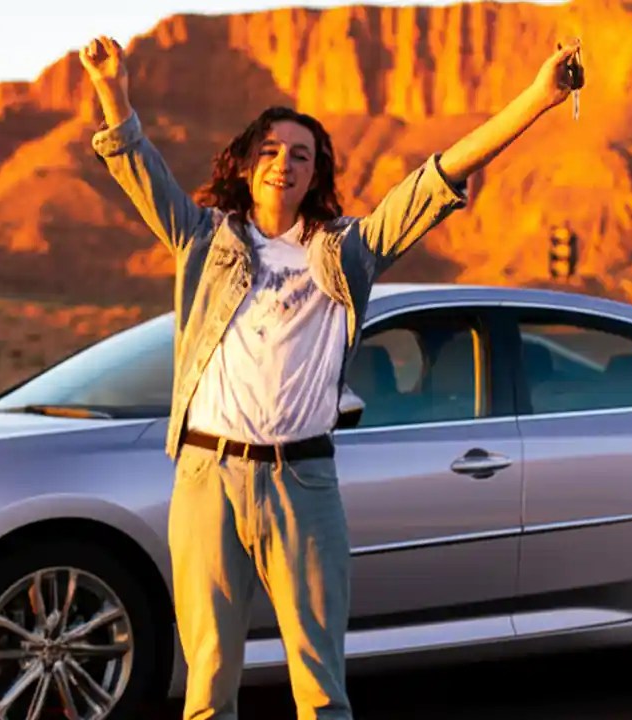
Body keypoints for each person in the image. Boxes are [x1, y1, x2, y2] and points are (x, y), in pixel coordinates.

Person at [80, 34, 584, 720]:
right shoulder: (205, 242)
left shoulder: (345, 253)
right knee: (207, 688)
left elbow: (433, 181)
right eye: (271, 150)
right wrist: (114, 91)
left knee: (320, 688)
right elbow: (138, 168)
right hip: (208, 479)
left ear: (316, 174)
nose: (283, 163)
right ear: (247, 163)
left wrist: (540, 98)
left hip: (303, 484)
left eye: (301, 155)